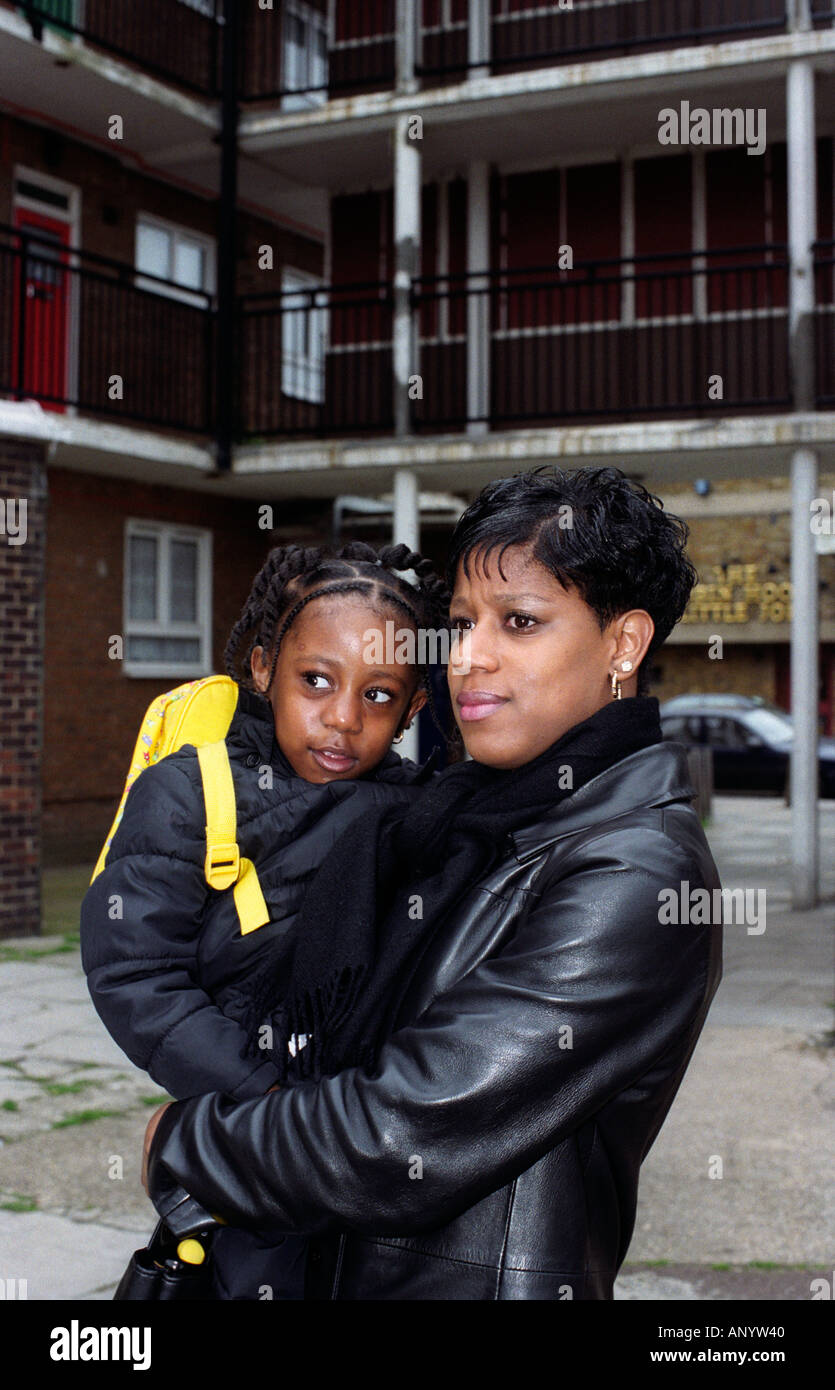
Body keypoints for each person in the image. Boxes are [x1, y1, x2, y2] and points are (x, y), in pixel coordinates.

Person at [142, 465, 724, 1301]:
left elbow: (398, 1132)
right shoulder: (457, 818)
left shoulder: (636, 873)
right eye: (459, 623)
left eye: (519, 623)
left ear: (623, 644)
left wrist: (186, 1142)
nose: (469, 658)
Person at [80, 539, 450, 1298]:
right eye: (315, 680)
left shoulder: (419, 814)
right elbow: (133, 972)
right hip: (246, 1137)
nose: (342, 719)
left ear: (414, 707)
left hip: (361, 1145)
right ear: (260, 669)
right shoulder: (193, 794)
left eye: (378, 695)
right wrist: (261, 1096)